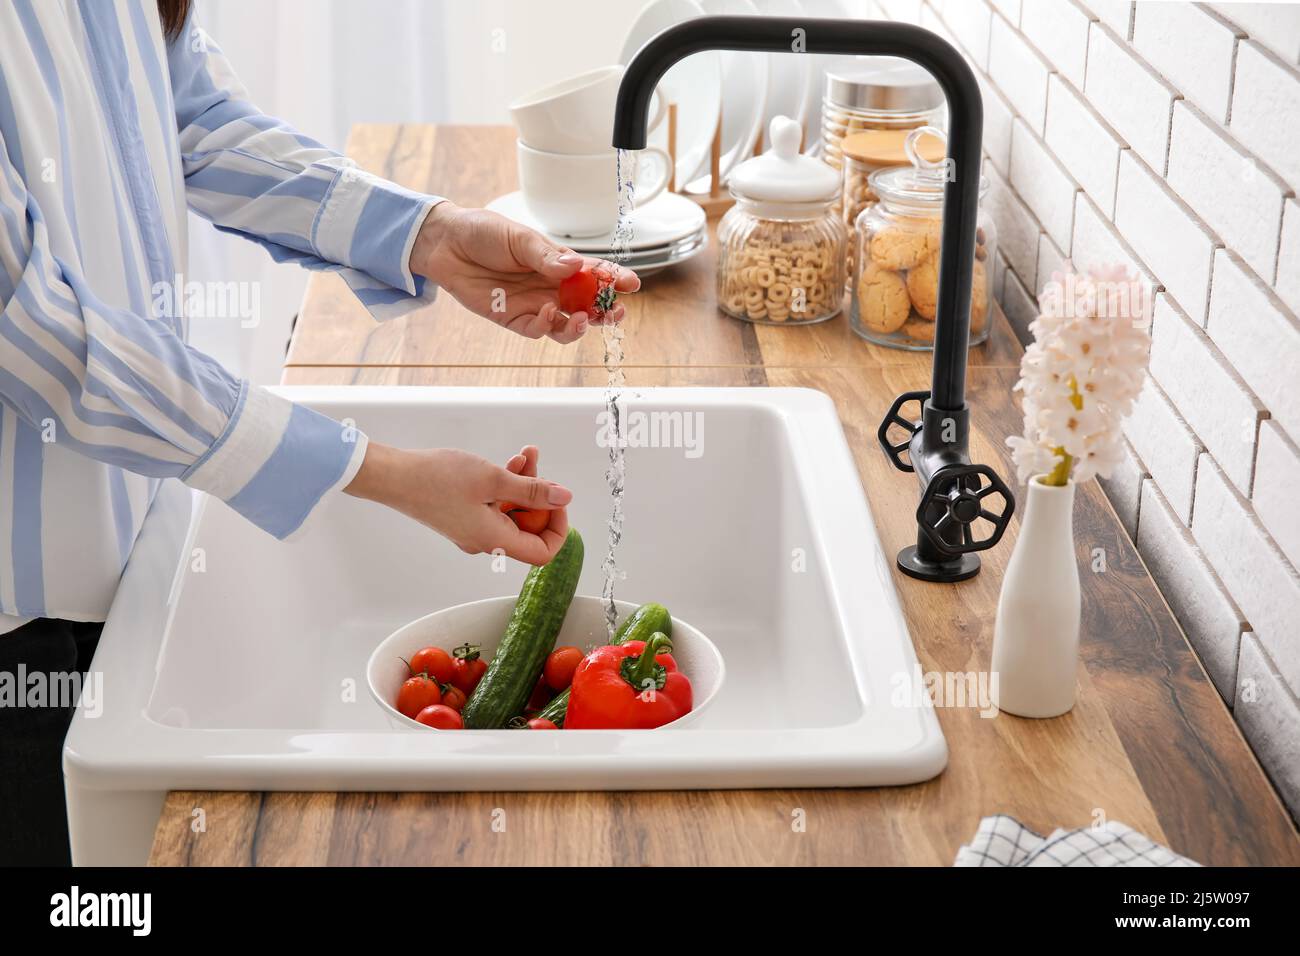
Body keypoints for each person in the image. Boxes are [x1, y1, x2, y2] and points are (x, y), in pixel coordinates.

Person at [0, 0, 638, 865]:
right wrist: (381, 472)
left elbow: (194, 119)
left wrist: (428, 234)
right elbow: (41, 335)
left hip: (136, 535)